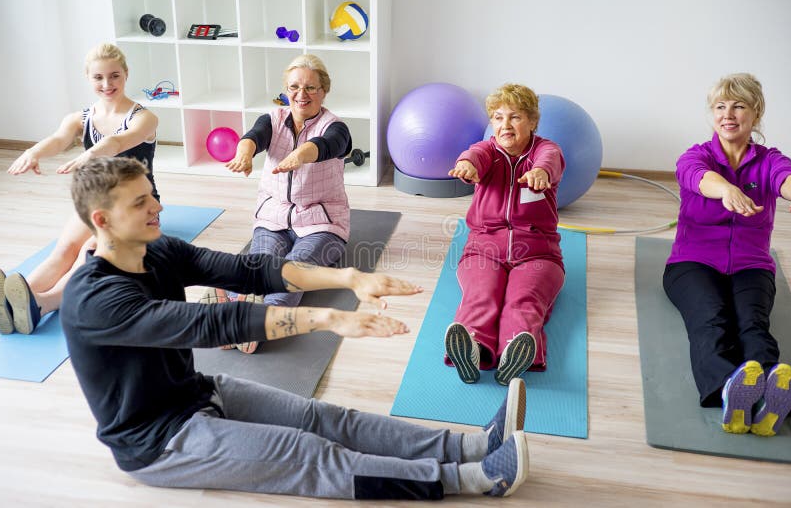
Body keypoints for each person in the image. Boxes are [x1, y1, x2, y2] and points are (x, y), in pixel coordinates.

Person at [60, 156, 531, 500]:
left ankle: (471, 445)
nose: (156, 206)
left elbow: (253, 270)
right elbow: (211, 322)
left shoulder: (158, 251)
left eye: (152, 194)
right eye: (141, 202)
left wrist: (349, 277)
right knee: (311, 454)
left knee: (327, 419)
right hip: (161, 441)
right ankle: (475, 480)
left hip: (199, 391)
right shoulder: (96, 300)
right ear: (102, 221)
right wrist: (328, 317)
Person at [0, 42, 158, 336]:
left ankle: (41, 305)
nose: (107, 84)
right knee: (64, 249)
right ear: (88, 78)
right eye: (98, 78)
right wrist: (34, 152)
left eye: (115, 76)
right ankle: (12, 300)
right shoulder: (80, 118)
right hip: (97, 202)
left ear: (126, 74)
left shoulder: (144, 118)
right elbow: (58, 139)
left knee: (88, 252)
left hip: (137, 207)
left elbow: (117, 142)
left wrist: (90, 155)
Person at [663, 73, 791, 436]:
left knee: (753, 323)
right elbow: (697, 177)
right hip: (692, 263)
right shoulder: (696, 155)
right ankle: (727, 391)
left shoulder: (769, 160)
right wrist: (726, 190)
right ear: (712, 114)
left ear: (756, 113)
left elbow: (786, 178)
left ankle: (771, 392)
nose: (728, 114)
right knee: (710, 320)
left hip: (751, 265)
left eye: (739, 106)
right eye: (720, 106)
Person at [211, 54, 351, 354]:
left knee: (292, 272)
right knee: (259, 266)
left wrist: (301, 155)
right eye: (295, 87)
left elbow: (329, 146)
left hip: (322, 224)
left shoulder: (335, 127)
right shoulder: (273, 119)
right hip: (273, 218)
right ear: (286, 90)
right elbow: (254, 136)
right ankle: (236, 316)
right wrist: (244, 154)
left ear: (324, 90)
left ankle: (250, 326)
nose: (302, 95)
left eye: (311, 88)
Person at [444, 84, 566, 386]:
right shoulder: (487, 150)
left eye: (515, 117)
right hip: (484, 248)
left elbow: (549, 161)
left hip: (538, 252)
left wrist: (541, 173)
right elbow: (474, 155)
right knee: (482, 296)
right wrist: (466, 165)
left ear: (533, 121)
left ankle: (515, 350)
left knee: (523, 300)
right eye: (498, 118)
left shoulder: (546, 150)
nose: (505, 125)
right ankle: (471, 348)